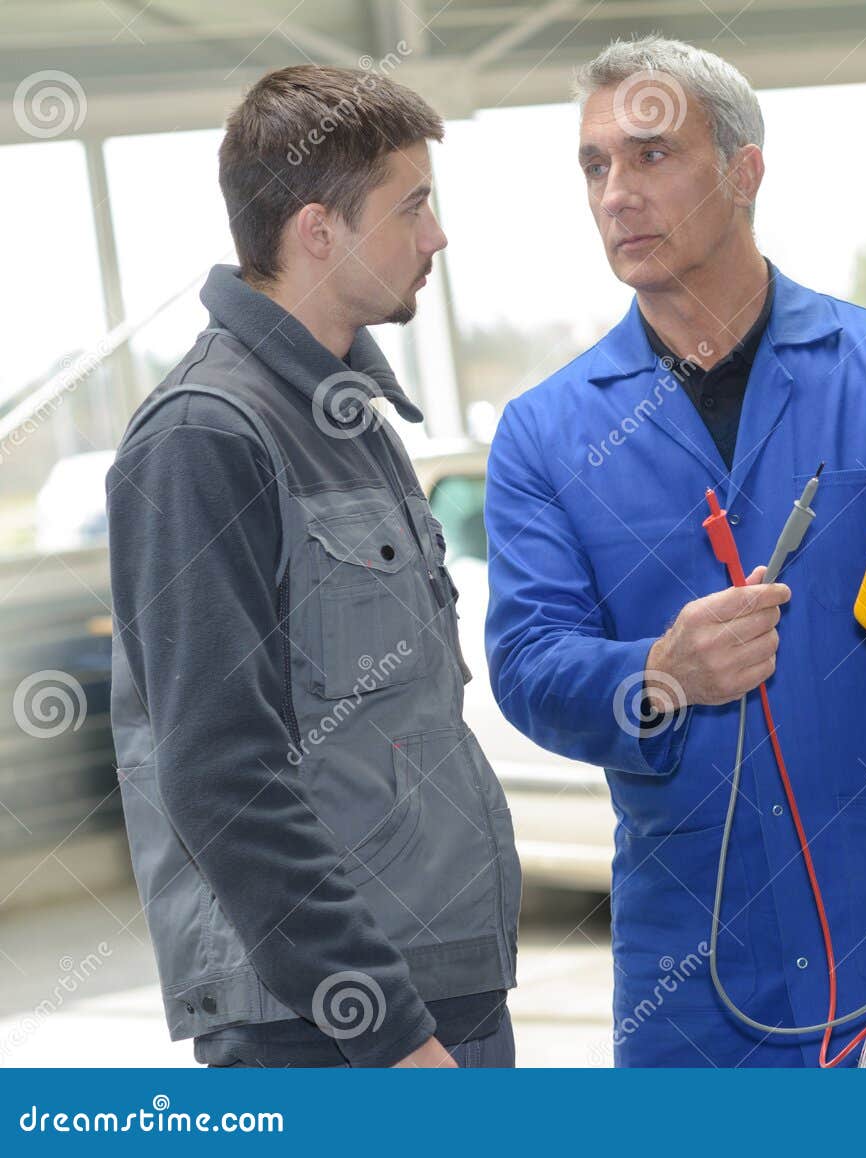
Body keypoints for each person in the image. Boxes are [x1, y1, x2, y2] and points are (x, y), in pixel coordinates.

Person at [484, 35, 866, 1067]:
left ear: (744, 171)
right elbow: (527, 663)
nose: (616, 194)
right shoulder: (546, 433)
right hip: (694, 970)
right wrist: (657, 674)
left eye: (650, 155)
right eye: (595, 166)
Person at [106, 65, 519, 1068]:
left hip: (443, 984)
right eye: (412, 206)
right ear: (318, 230)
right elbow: (221, 775)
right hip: (323, 1030)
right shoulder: (205, 437)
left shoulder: (349, 420)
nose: (436, 236)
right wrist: (386, 1026)